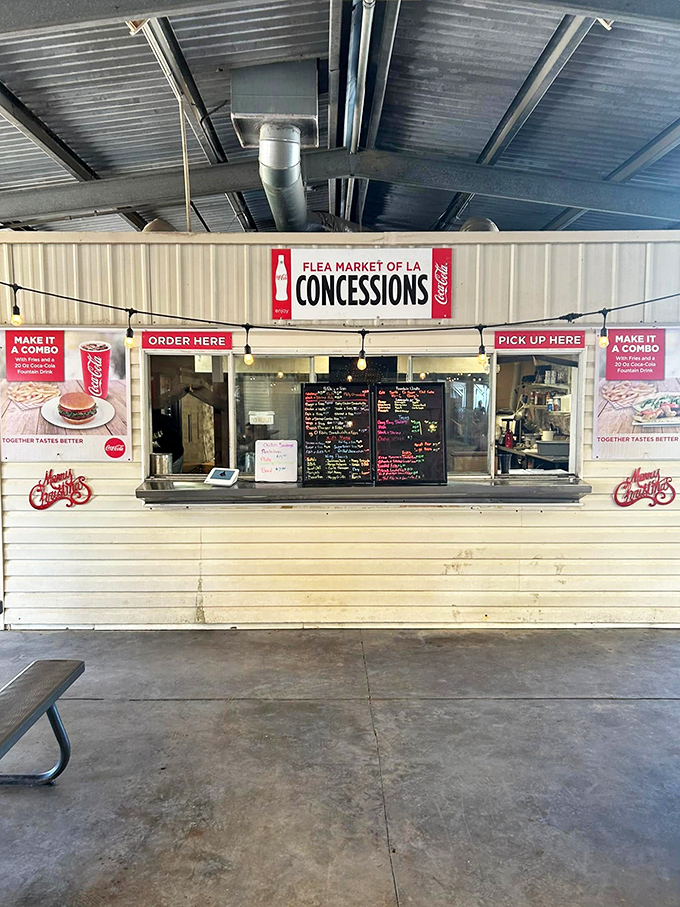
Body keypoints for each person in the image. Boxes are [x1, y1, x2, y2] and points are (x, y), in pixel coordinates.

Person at [152, 408, 184, 473]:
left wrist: (158, 443)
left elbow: (175, 439)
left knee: (173, 476)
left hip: (175, 455)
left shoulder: (165, 421)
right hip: (161, 456)